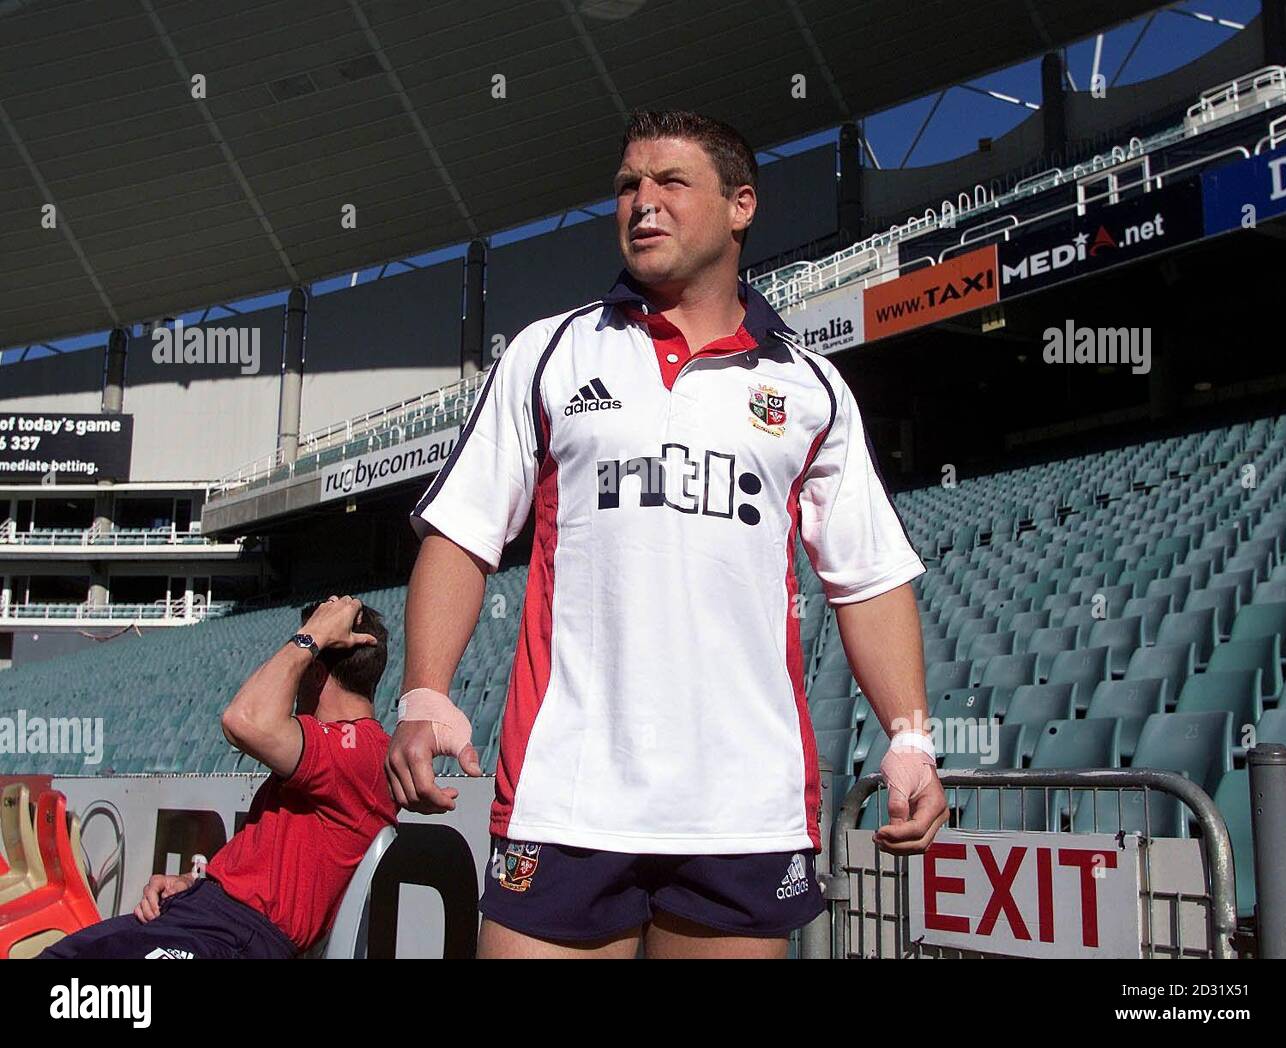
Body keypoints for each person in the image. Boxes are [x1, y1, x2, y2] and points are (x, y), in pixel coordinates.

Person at [387, 109, 947, 959]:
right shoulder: (549, 353)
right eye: (626, 187)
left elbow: (866, 578)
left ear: (740, 206)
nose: (642, 203)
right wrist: (425, 691)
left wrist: (909, 738)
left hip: (743, 807)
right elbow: (462, 535)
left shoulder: (810, 386)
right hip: (567, 796)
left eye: (671, 183)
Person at [40, 596, 397, 959]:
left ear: (315, 674)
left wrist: (311, 635)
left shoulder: (363, 752)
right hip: (200, 915)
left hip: (235, 936)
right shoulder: (327, 753)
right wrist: (196, 883)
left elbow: (242, 721)